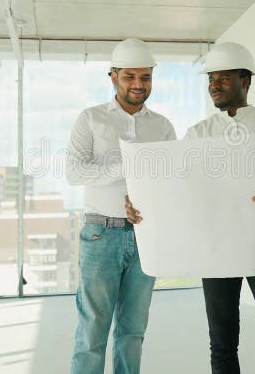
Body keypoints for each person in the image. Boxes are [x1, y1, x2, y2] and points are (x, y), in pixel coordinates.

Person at [125, 42, 255, 373]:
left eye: (223, 78)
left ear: (245, 81)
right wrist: (139, 200)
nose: (214, 86)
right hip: (214, 240)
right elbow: (176, 186)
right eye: (211, 80)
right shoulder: (198, 133)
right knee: (222, 340)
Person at [67, 38, 176, 374]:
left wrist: (152, 203)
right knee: (93, 329)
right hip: (101, 234)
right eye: (130, 76)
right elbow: (74, 171)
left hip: (146, 237)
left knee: (133, 331)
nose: (138, 85)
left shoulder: (162, 126)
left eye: (145, 77)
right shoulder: (91, 119)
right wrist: (125, 167)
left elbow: (172, 180)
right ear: (113, 76)